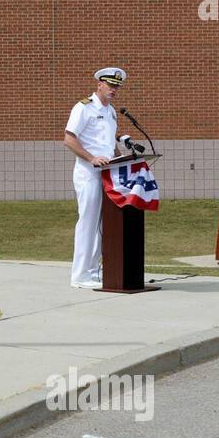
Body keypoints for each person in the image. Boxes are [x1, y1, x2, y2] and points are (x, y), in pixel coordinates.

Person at [63, 66, 126, 289]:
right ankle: (80, 275)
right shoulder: (84, 108)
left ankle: (93, 271)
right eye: (110, 85)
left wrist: (122, 159)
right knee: (88, 222)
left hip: (108, 173)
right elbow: (69, 139)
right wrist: (91, 158)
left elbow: (109, 144)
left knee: (102, 224)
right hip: (88, 173)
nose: (114, 90)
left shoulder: (110, 111)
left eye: (117, 86)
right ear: (99, 84)